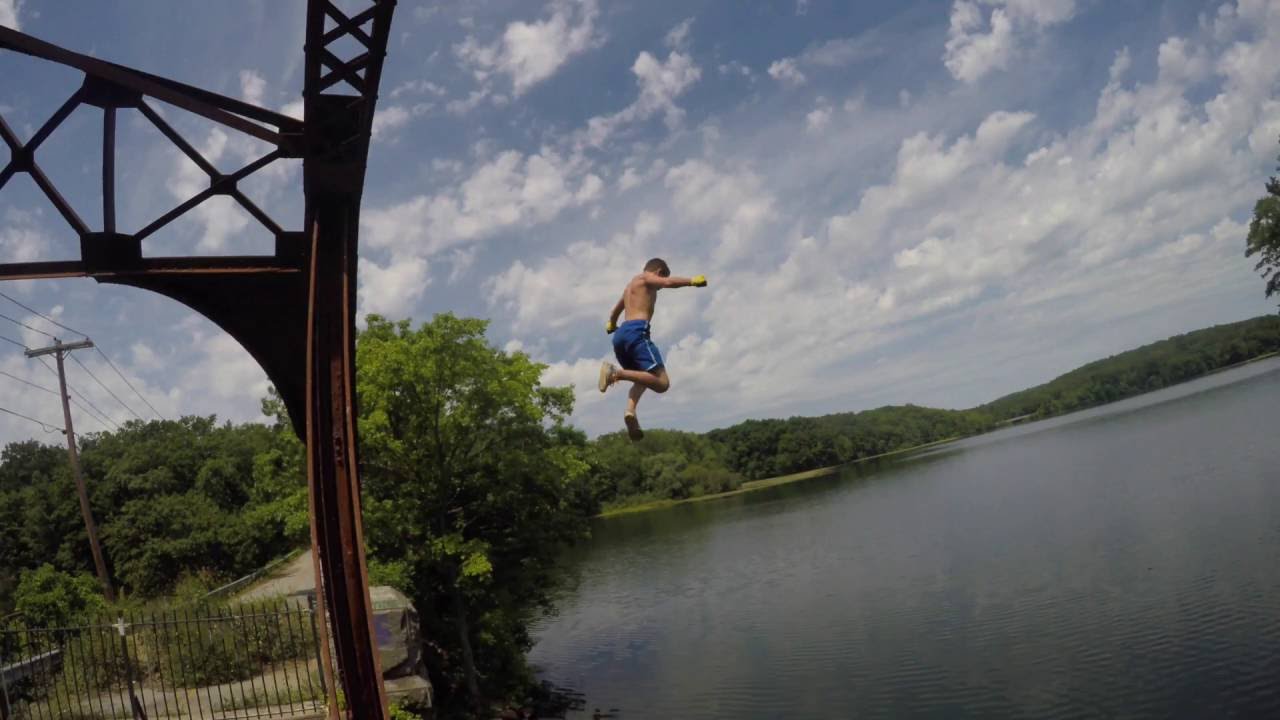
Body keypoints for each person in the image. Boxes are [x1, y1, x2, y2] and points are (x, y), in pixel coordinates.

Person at [599, 257, 707, 440]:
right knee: (661, 382)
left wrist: (612, 323)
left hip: (620, 336)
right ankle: (616, 373)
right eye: (659, 281)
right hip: (637, 332)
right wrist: (692, 281)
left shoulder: (629, 288)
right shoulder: (646, 278)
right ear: (658, 272)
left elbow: (615, 311)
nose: (658, 287)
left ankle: (630, 412)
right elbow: (669, 282)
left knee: (644, 378)